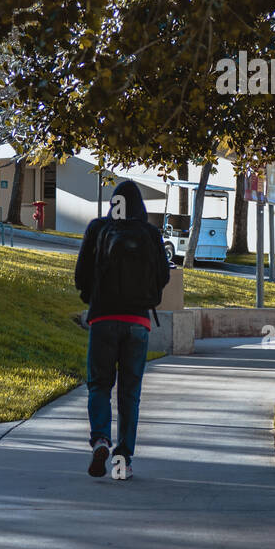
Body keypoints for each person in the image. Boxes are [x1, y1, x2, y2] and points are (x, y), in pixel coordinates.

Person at [74, 179, 170, 479]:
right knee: (130, 393)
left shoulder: (97, 228)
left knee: (99, 385)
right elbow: (164, 276)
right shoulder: (151, 233)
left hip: (102, 319)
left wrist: (93, 298)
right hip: (138, 322)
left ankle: (101, 439)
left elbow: (80, 276)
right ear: (140, 206)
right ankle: (123, 460)